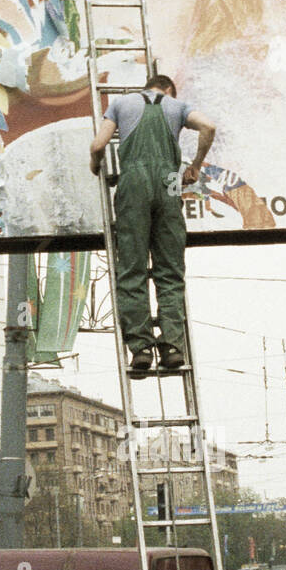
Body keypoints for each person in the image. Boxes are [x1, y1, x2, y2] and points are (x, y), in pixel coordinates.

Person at [89, 73, 215, 376]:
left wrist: (96, 167)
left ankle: (141, 349)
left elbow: (97, 145)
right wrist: (195, 166)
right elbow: (208, 127)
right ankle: (172, 346)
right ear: (169, 89)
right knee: (170, 271)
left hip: (133, 184)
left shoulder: (120, 103)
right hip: (170, 184)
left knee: (132, 269)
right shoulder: (178, 106)